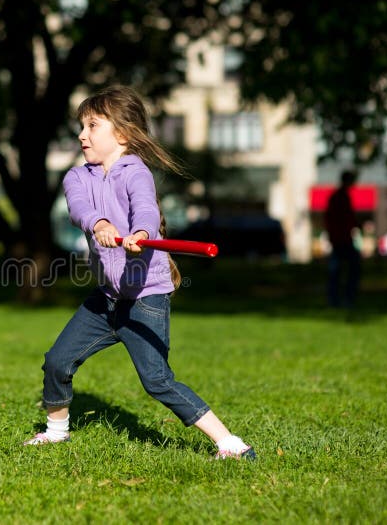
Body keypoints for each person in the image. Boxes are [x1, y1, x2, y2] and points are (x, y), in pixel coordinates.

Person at [22, 86, 255, 460]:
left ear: (122, 135)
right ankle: (56, 431)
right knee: (57, 360)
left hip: (146, 297)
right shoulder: (77, 177)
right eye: (81, 126)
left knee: (157, 380)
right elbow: (79, 208)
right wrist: (98, 223)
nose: (82, 135)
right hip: (106, 299)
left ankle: (230, 444)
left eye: (92, 126)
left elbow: (145, 209)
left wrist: (142, 235)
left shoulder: (136, 173)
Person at [324, 170, 361, 308]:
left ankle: (337, 298)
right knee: (345, 269)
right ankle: (344, 298)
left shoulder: (340, 196)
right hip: (341, 239)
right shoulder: (340, 197)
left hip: (340, 238)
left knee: (338, 270)